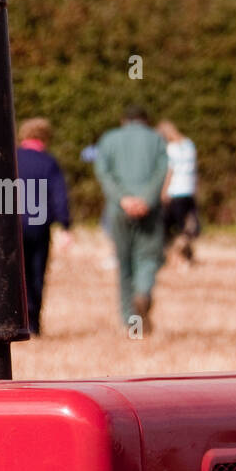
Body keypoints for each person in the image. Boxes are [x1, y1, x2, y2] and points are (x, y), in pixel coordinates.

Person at [94, 106, 169, 333]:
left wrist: (123, 199)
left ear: (123, 120)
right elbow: (162, 171)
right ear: (146, 120)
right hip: (150, 209)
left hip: (119, 210)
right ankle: (143, 293)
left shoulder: (109, 139)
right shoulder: (157, 139)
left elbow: (103, 173)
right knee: (147, 258)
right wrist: (145, 199)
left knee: (124, 263)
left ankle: (130, 321)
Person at [16, 117, 71, 335]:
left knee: (15, 274)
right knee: (36, 273)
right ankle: (33, 324)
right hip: (39, 227)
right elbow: (59, 196)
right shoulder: (48, 162)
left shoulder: (11, 158)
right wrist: (65, 225)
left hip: (11, 226)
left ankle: (16, 319)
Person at [156, 120, 201, 263]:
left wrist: (163, 191)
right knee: (187, 226)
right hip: (188, 189)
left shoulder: (171, 148)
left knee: (167, 228)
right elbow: (195, 168)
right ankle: (187, 256)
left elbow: (170, 171)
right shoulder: (189, 144)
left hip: (174, 191)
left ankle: (169, 255)